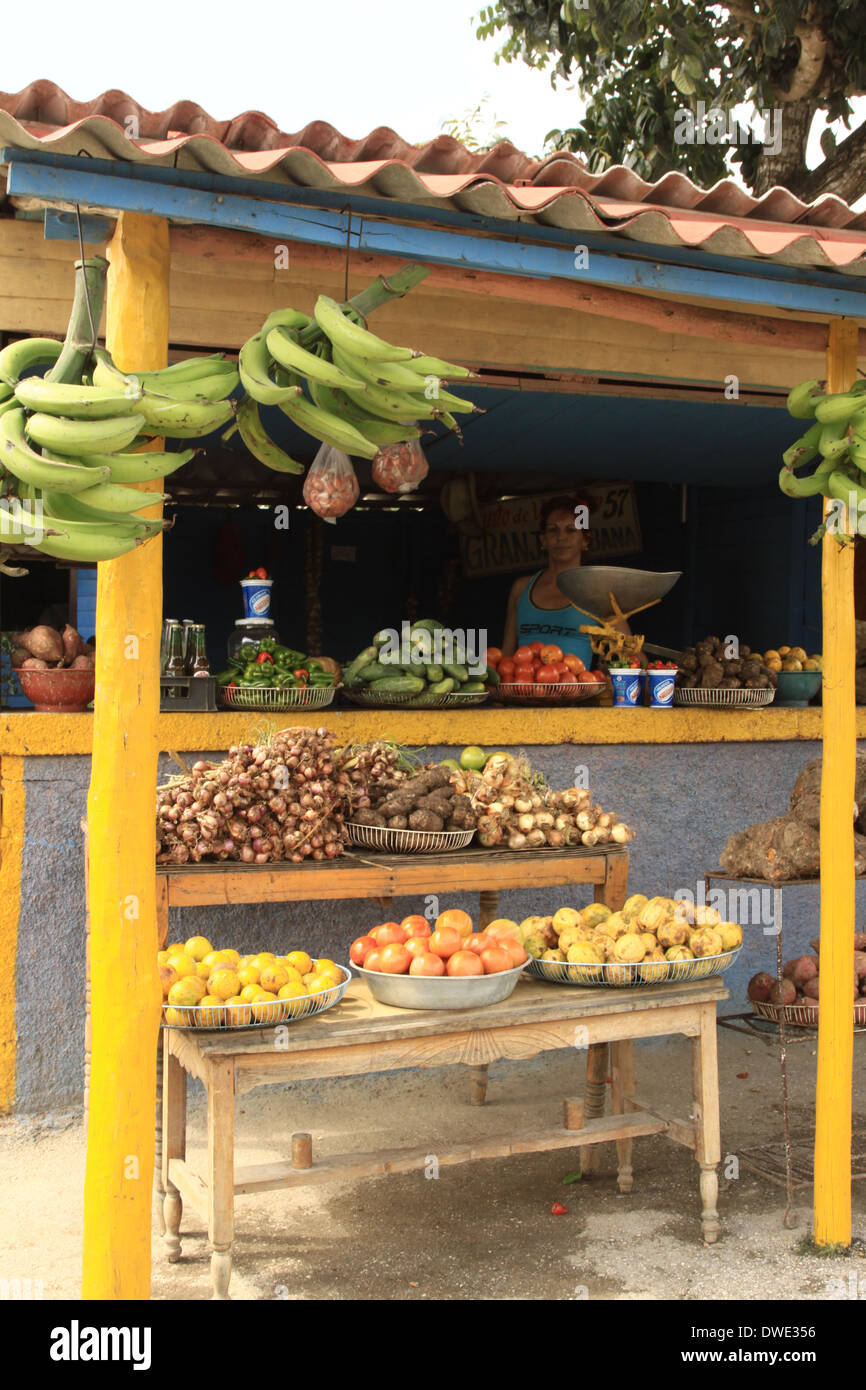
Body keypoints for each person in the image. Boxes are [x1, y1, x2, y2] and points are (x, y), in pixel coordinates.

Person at [502, 495, 628, 665]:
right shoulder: (521, 588)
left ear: (585, 540)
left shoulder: (600, 593)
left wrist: (661, 679)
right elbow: (505, 658)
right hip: (523, 688)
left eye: (571, 530)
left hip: (576, 689)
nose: (561, 537)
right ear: (543, 539)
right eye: (553, 530)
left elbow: (630, 651)